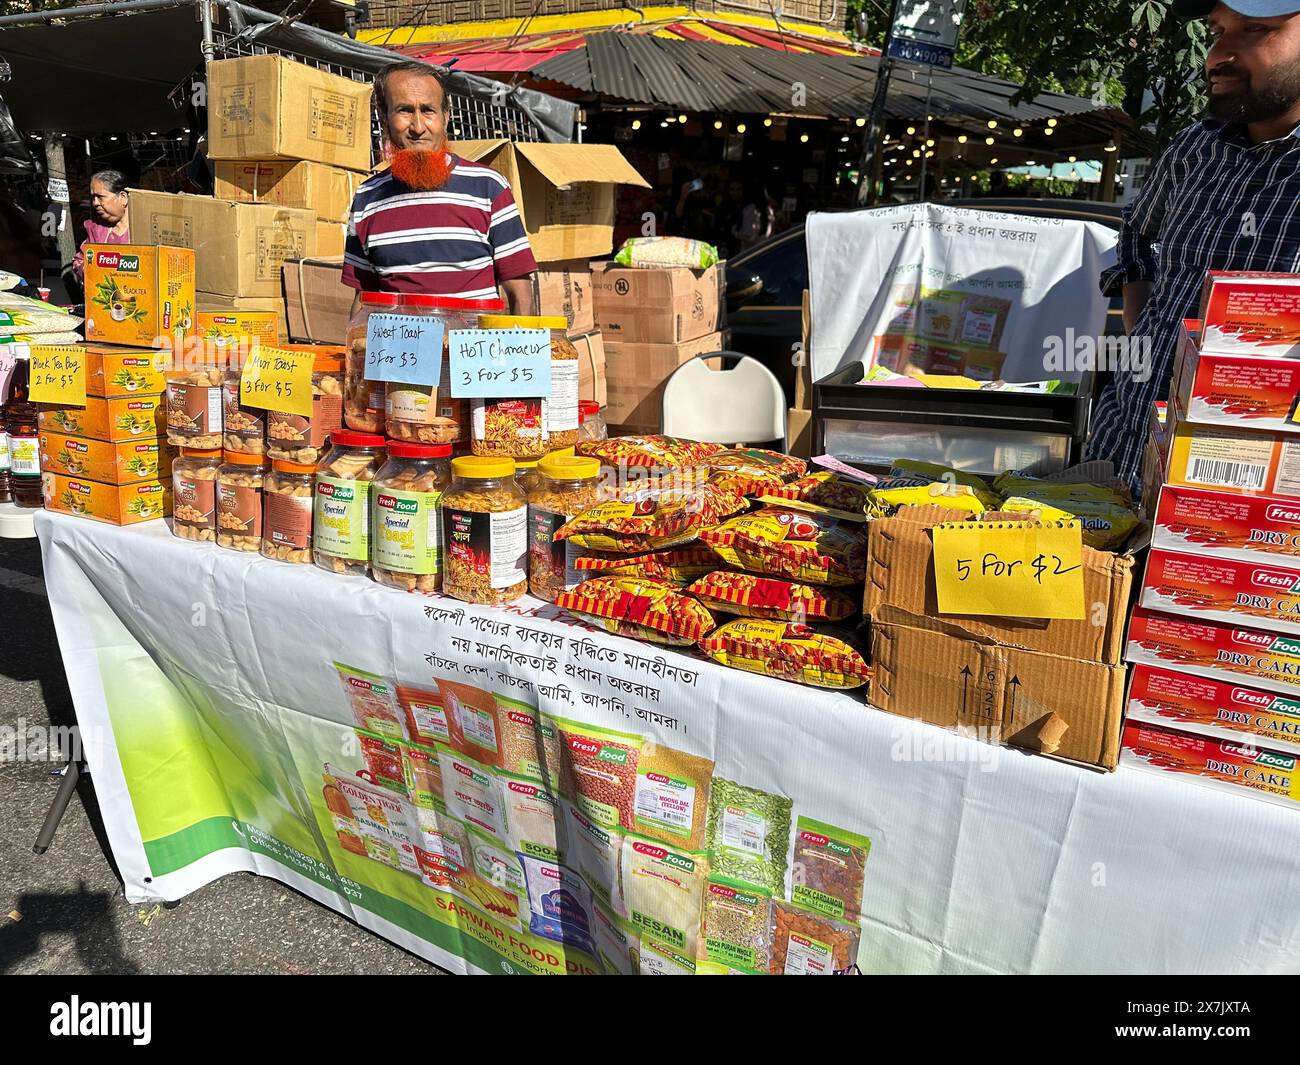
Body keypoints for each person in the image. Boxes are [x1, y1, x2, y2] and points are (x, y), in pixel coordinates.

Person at [1087, 0, 1300, 490]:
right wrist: (1146, 330)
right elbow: (1137, 235)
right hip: (1117, 467)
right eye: (1218, 31)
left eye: (1253, 30)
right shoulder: (1194, 148)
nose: (1218, 55)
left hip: (1244, 526)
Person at [342, 61, 536, 312]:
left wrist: (522, 349)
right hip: (401, 348)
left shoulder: (488, 188)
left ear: (445, 117)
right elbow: (365, 296)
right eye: (404, 110)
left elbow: (518, 288)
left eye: (428, 110)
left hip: (474, 349)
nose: (418, 127)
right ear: (384, 117)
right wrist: (354, 346)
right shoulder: (368, 198)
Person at [71, 170, 130, 283]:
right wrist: (88, 272)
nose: (95, 203)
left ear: (123, 198)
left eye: (100, 197)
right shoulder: (96, 229)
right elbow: (79, 260)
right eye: (93, 198)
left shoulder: (142, 230)